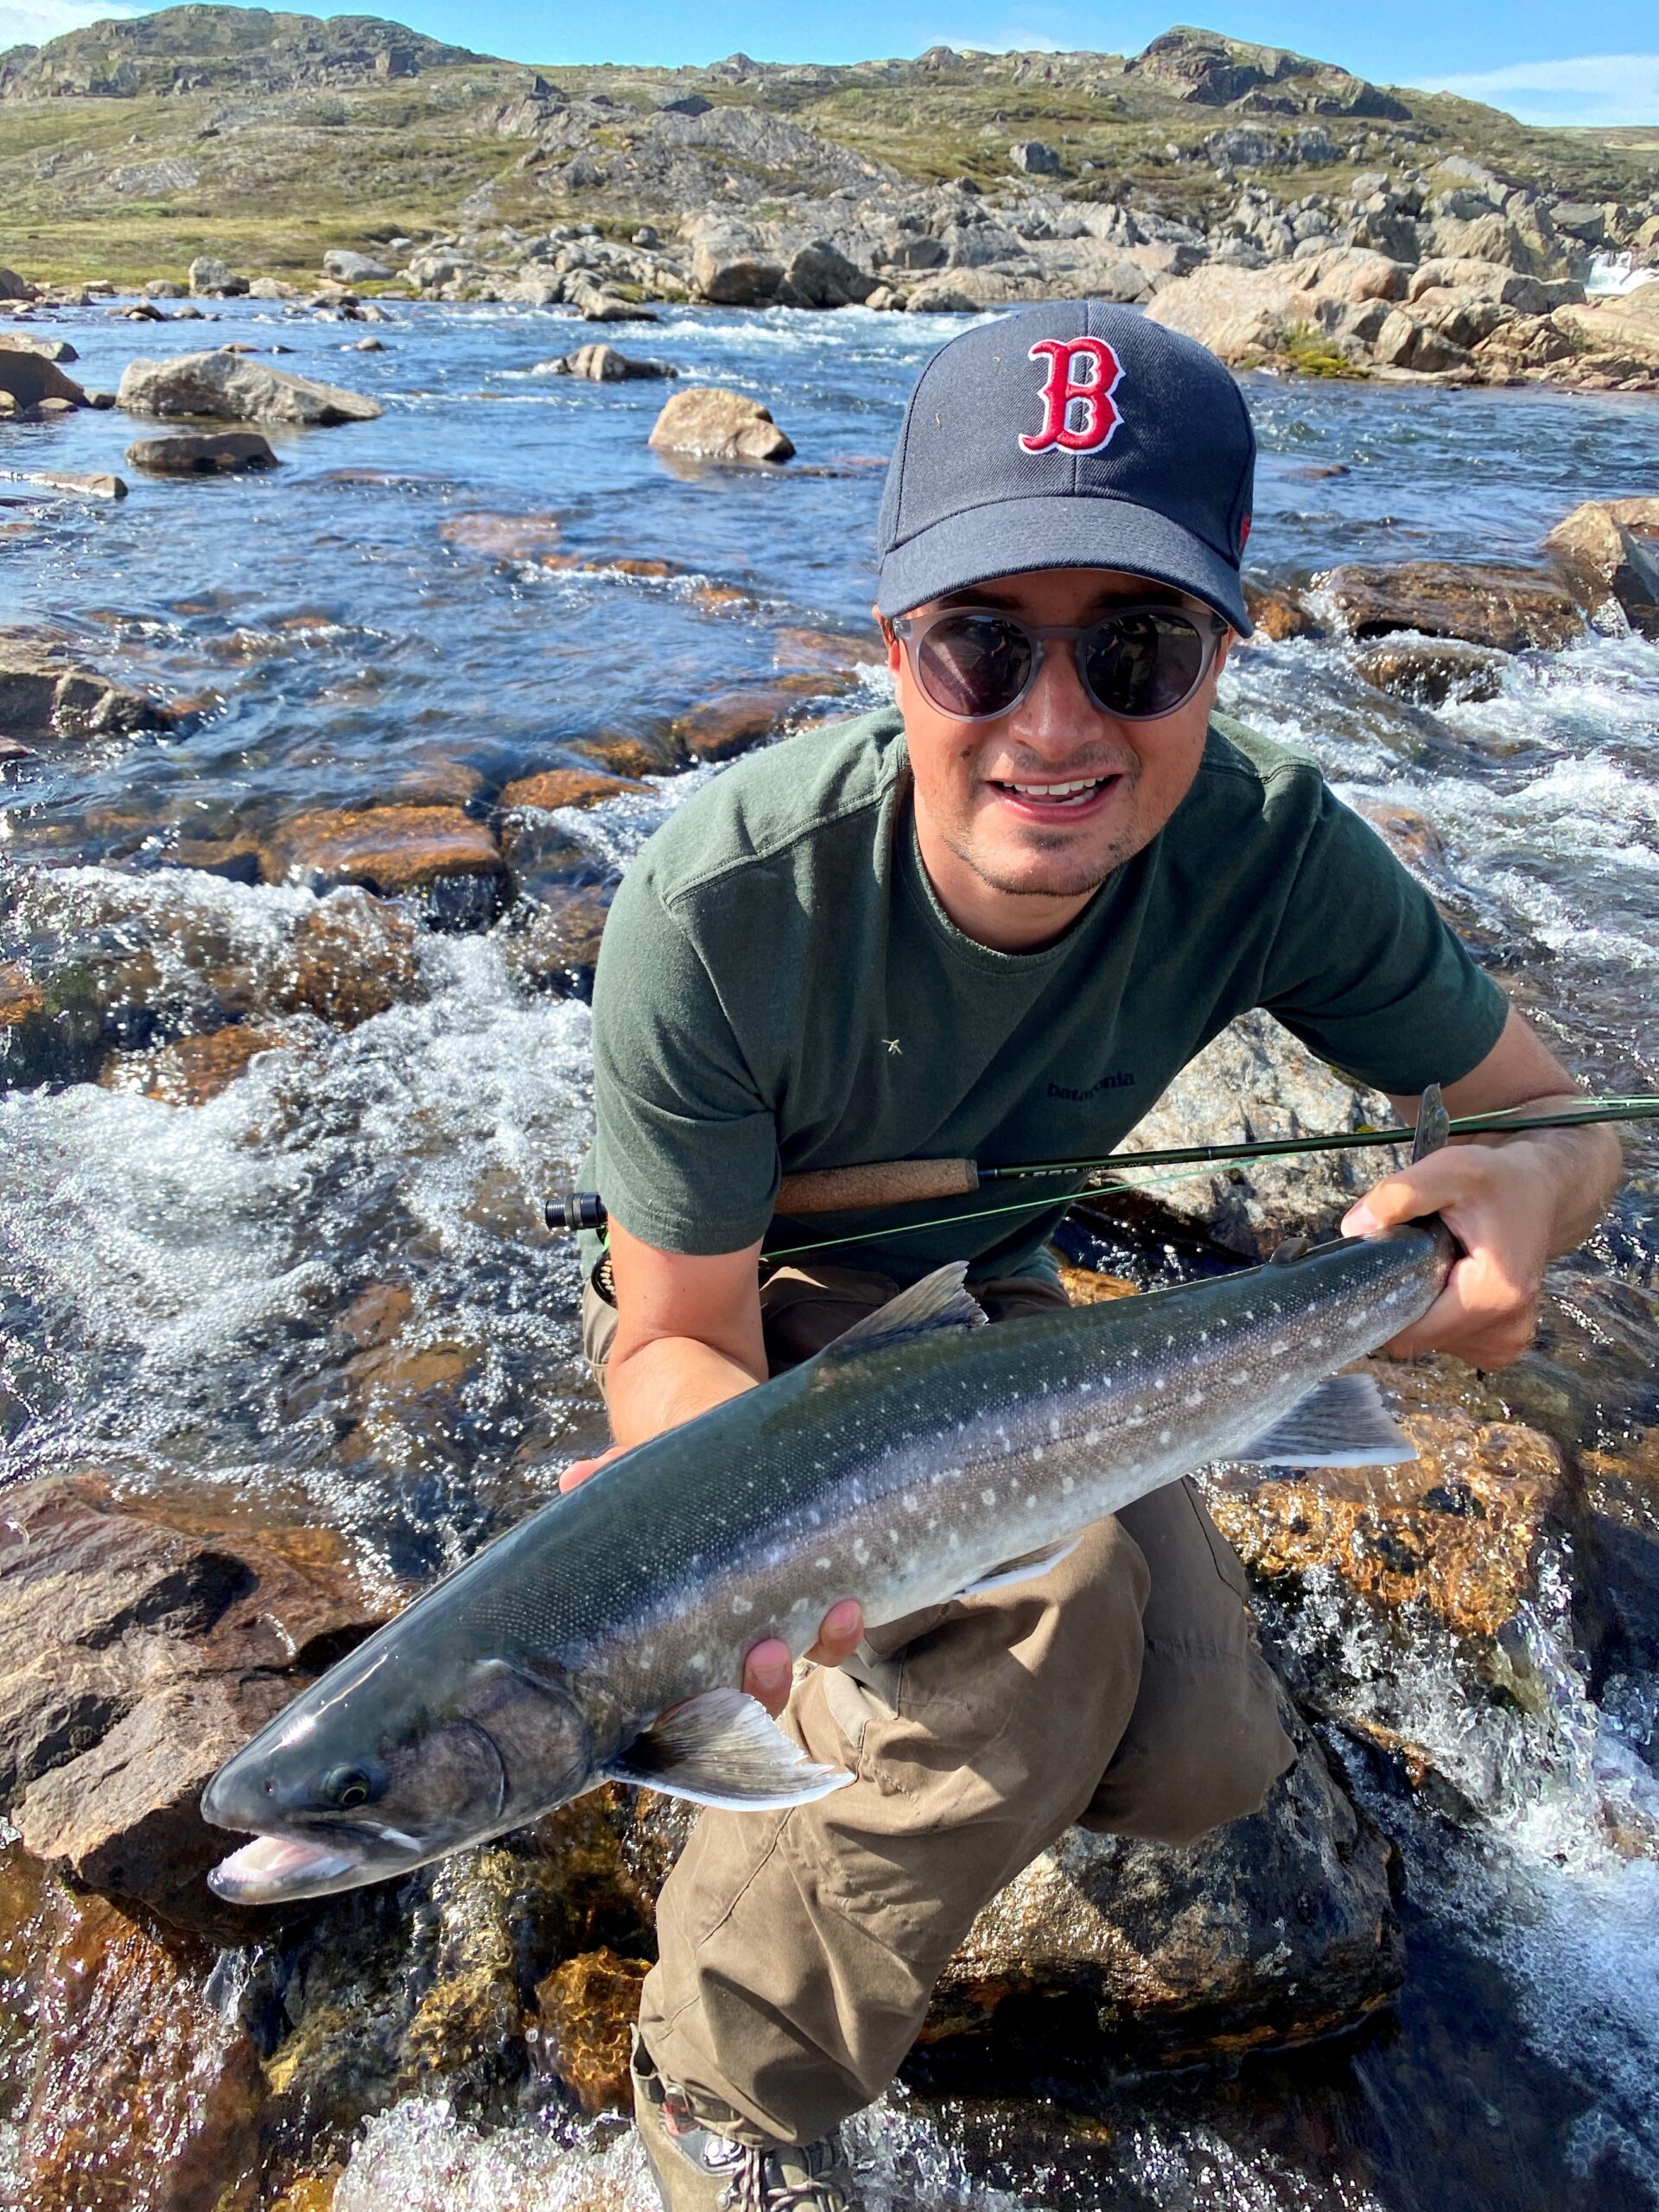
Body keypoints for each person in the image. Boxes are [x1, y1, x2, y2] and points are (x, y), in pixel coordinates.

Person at [561, 303, 1623, 2212]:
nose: (1056, 724)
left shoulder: (1278, 845)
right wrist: (728, 1554)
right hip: (756, 1309)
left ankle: (917, 1765)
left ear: (1222, 650)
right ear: (894, 649)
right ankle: (719, 2101)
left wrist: (1521, 1212)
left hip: (995, 1290)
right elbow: (674, 1332)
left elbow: (1553, 1121)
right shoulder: (718, 907)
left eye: (1134, 647)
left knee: (1201, 1754)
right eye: (986, 642)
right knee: (1038, 1621)